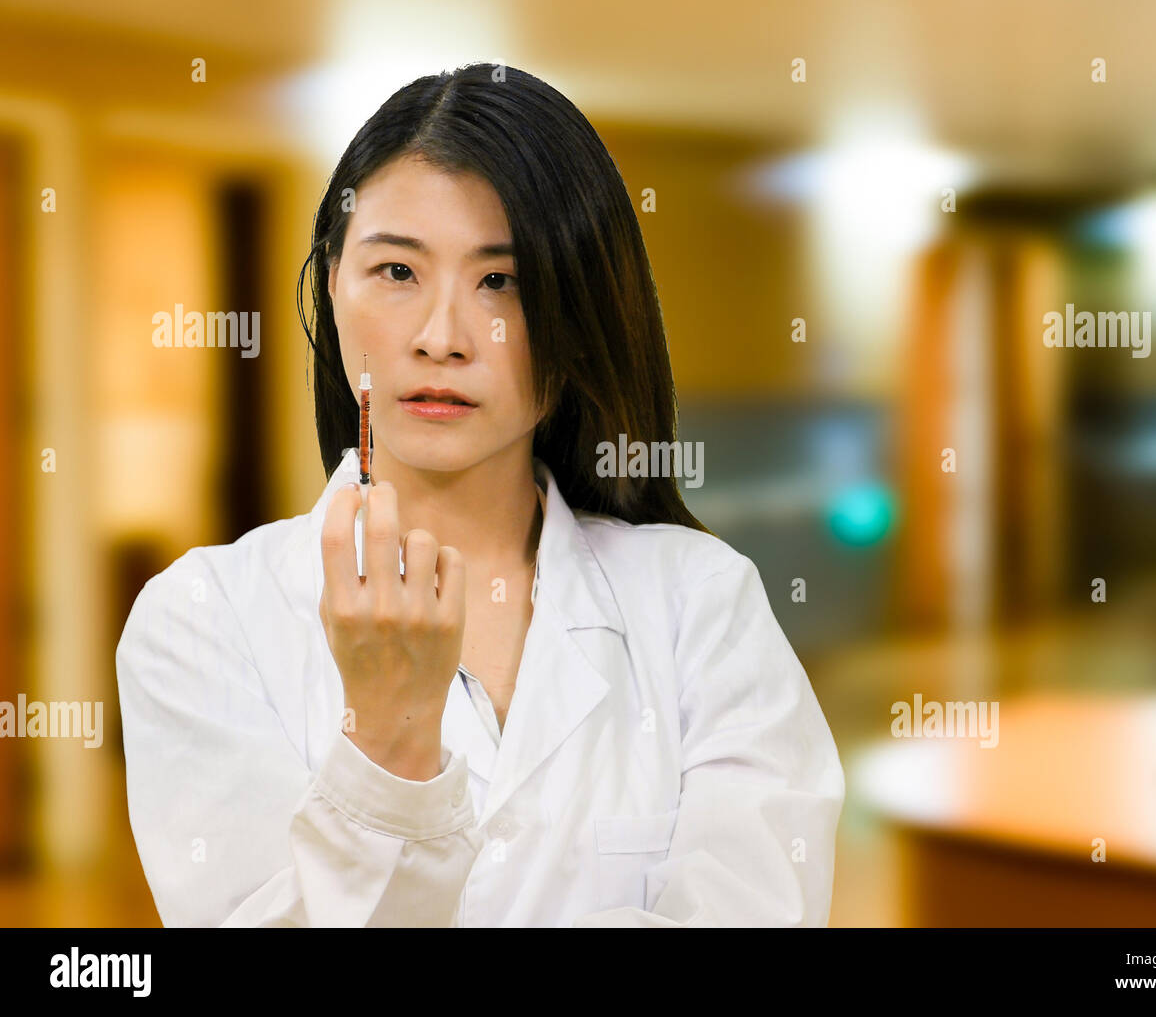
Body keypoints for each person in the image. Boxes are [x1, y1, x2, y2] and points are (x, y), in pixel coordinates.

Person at [115, 62, 845, 927]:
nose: (441, 338)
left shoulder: (702, 606)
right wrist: (389, 738)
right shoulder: (203, 621)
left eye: (503, 281)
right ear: (333, 290)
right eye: (396, 272)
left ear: (582, 314)